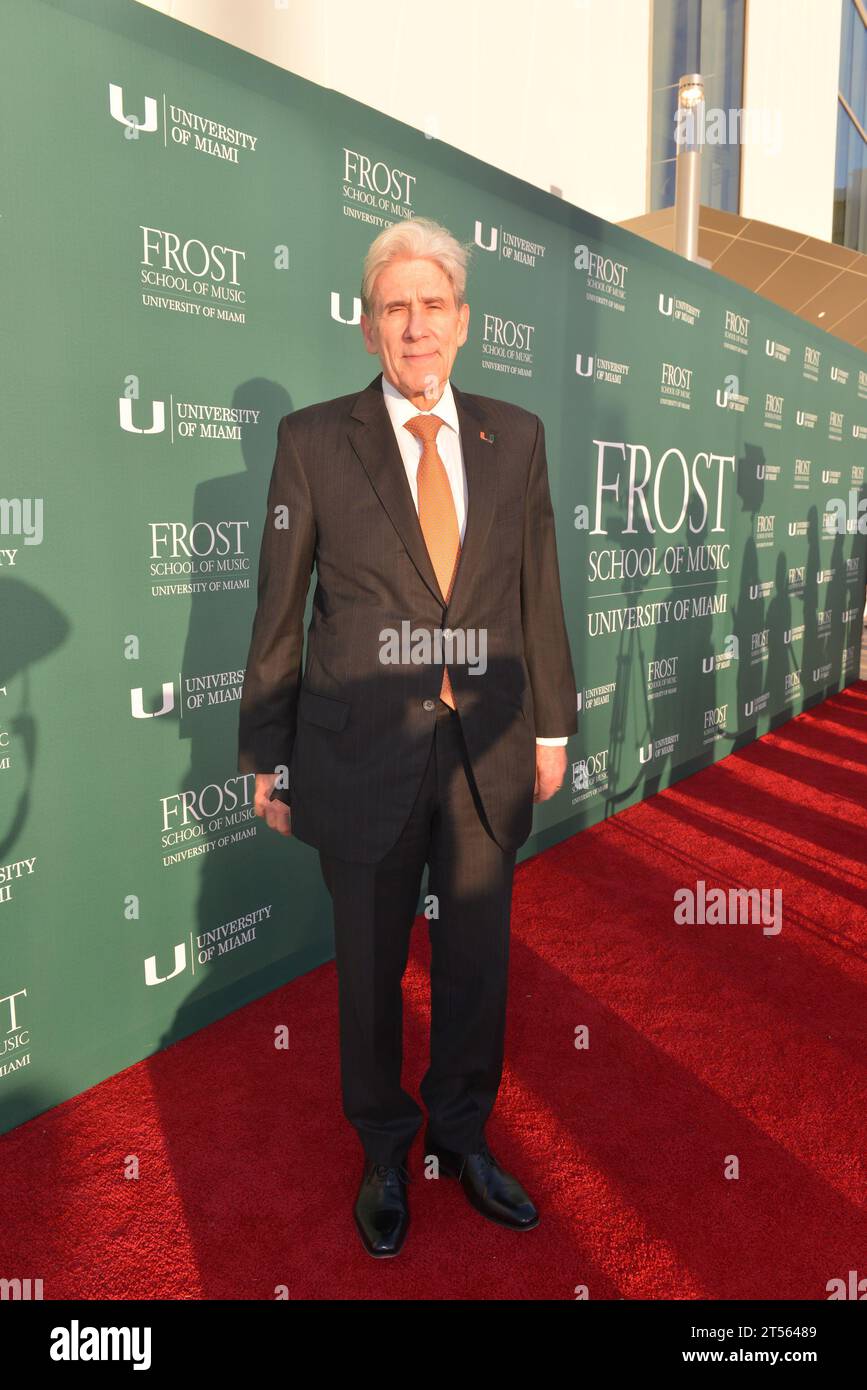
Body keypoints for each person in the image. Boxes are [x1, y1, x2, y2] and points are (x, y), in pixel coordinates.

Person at [238, 215, 577, 1258]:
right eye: (397, 307)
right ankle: (387, 1149)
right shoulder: (310, 442)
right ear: (367, 325)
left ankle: (464, 1138)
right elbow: (280, 609)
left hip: (489, 745)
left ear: (464, 322)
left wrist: (556, 723)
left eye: (434, 305)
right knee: (370, 969)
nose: (416, 326)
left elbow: (537, 592)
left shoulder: (515, 436)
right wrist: (266, 748)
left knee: (476, 964)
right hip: (356, 750)